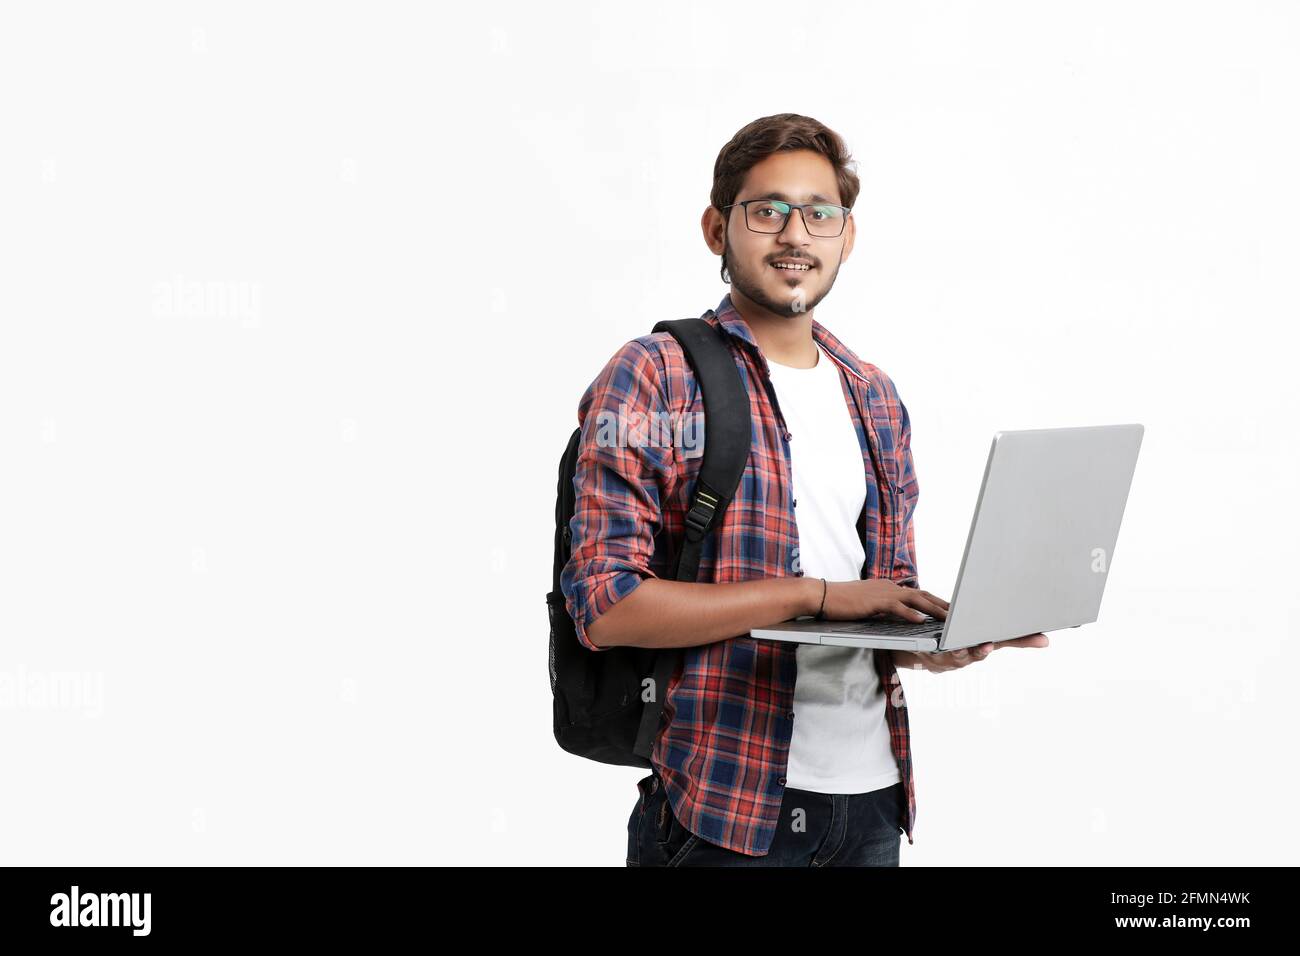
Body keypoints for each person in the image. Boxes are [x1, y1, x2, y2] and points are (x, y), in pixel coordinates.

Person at [561, 113, 1047, 867]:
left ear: (845, 237)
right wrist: (815, 595)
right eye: (768, 211)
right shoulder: (656, 374)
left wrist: (932, 642)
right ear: (717, 227)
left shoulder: (873, 396)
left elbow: (871, 604)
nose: (796, 234)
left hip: (874, 801)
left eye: (820, 214)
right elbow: (605, 605)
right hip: (722, 806)